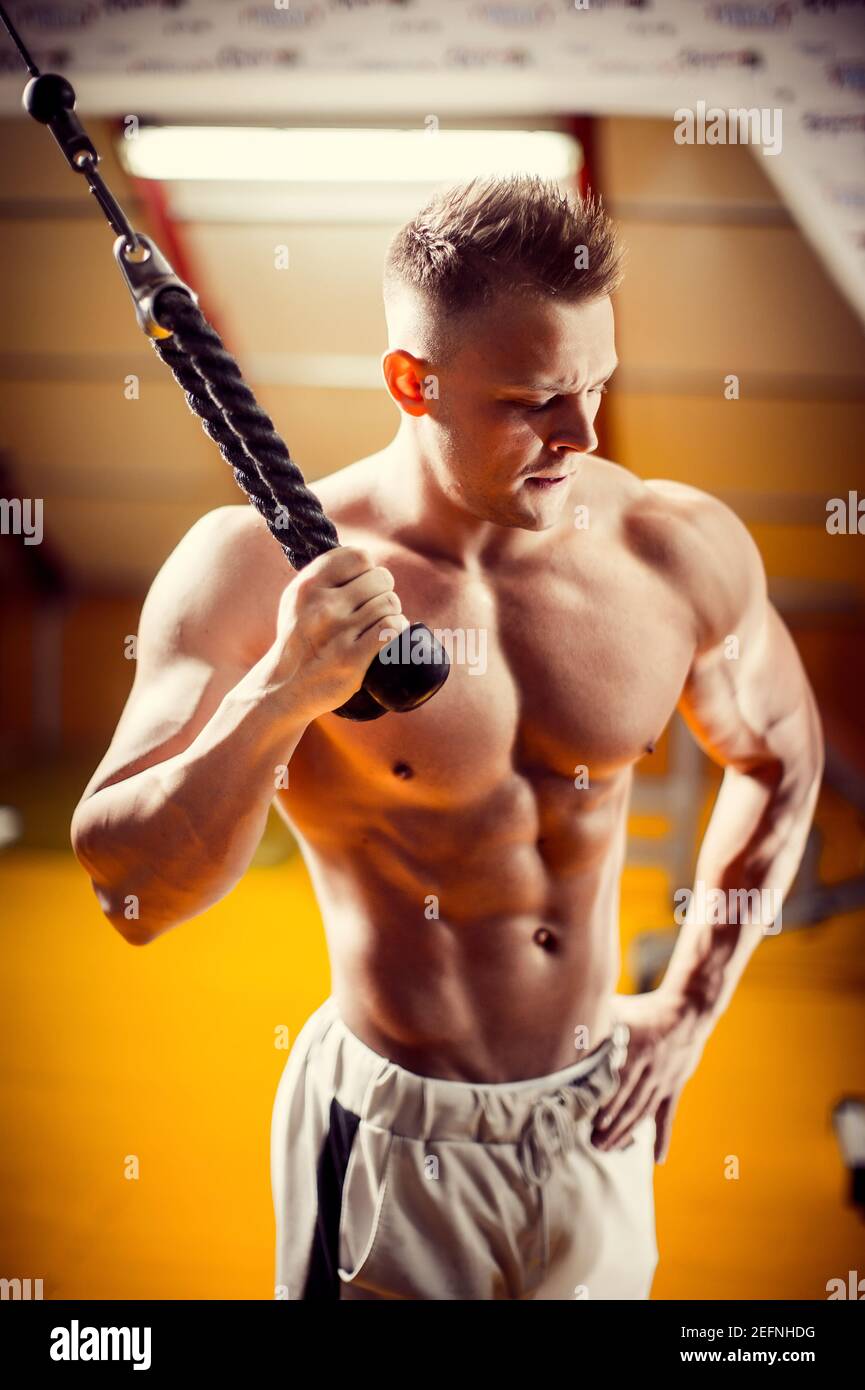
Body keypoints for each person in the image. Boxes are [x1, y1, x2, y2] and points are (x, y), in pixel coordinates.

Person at [71, 174, 824, 1300]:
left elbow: (780, 755)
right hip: (387, 1139)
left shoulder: (673, 547)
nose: (584, 432)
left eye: (597, 386)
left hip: (594, 1119)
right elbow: (129, 889)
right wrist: (283, 689)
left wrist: (690, 1007)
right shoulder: (251, 569)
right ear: (412, 382)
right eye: (533, 400)